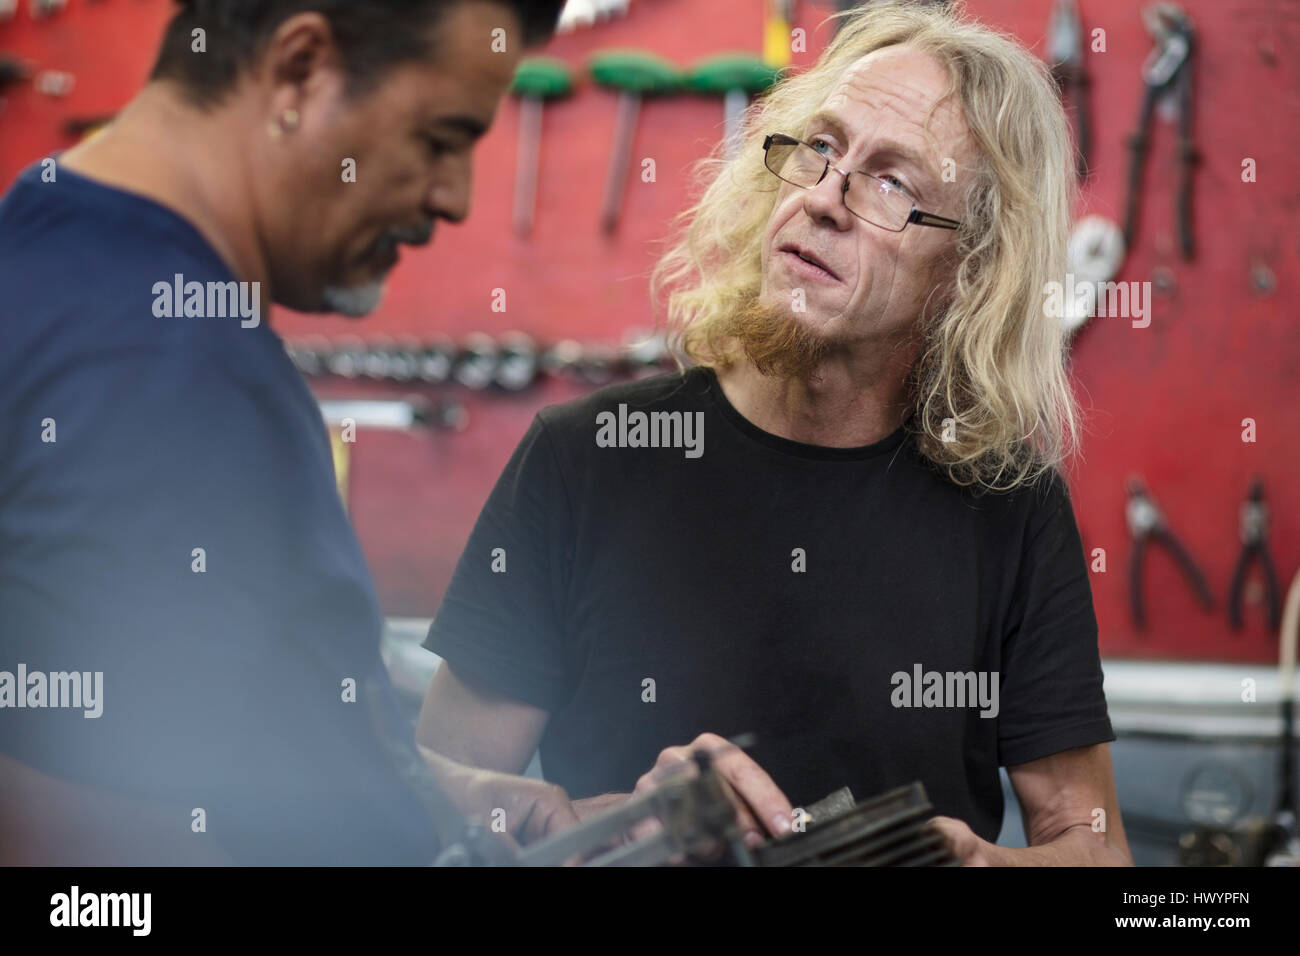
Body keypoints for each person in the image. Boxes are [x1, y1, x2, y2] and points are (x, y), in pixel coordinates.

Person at [416, 1, 1133, 865]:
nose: (825, 197)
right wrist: (616, 829)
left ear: (970, 271)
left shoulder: (1011, 508)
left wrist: (976, 865)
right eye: (821, 149)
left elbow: (1093, 851)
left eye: (892, 183)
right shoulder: (585, 459)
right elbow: (420, 805)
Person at [0, 0, 575, 865]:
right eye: (441, 138)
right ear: (302, 68)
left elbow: (201, 742)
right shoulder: (166, 367)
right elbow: (93, 863)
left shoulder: (51, 237)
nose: (453, 198)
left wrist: (435, 794)